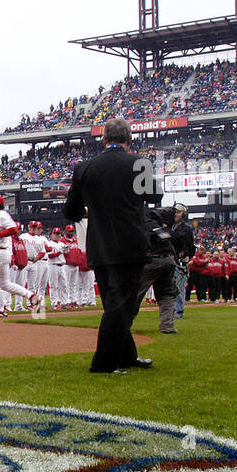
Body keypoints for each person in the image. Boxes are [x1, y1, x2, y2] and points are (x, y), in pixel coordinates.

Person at [63, 117, 158, 374]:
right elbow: (153, 196)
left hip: (100, 245)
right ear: (129, 140)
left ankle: (126, 355)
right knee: (121, 306)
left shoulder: (84, 168)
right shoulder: (139, 163)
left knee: (114, 303)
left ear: (104, 139)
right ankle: (104, 364)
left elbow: (71, 210)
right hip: (130, 243)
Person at [136, 206, 179, 334]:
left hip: (152, 262)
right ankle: (167, 325)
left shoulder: (143, 225)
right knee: (167, 294)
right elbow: (172, 243)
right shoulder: (162, 229)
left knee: (135, 294)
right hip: (168, 260)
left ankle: (122, 324)